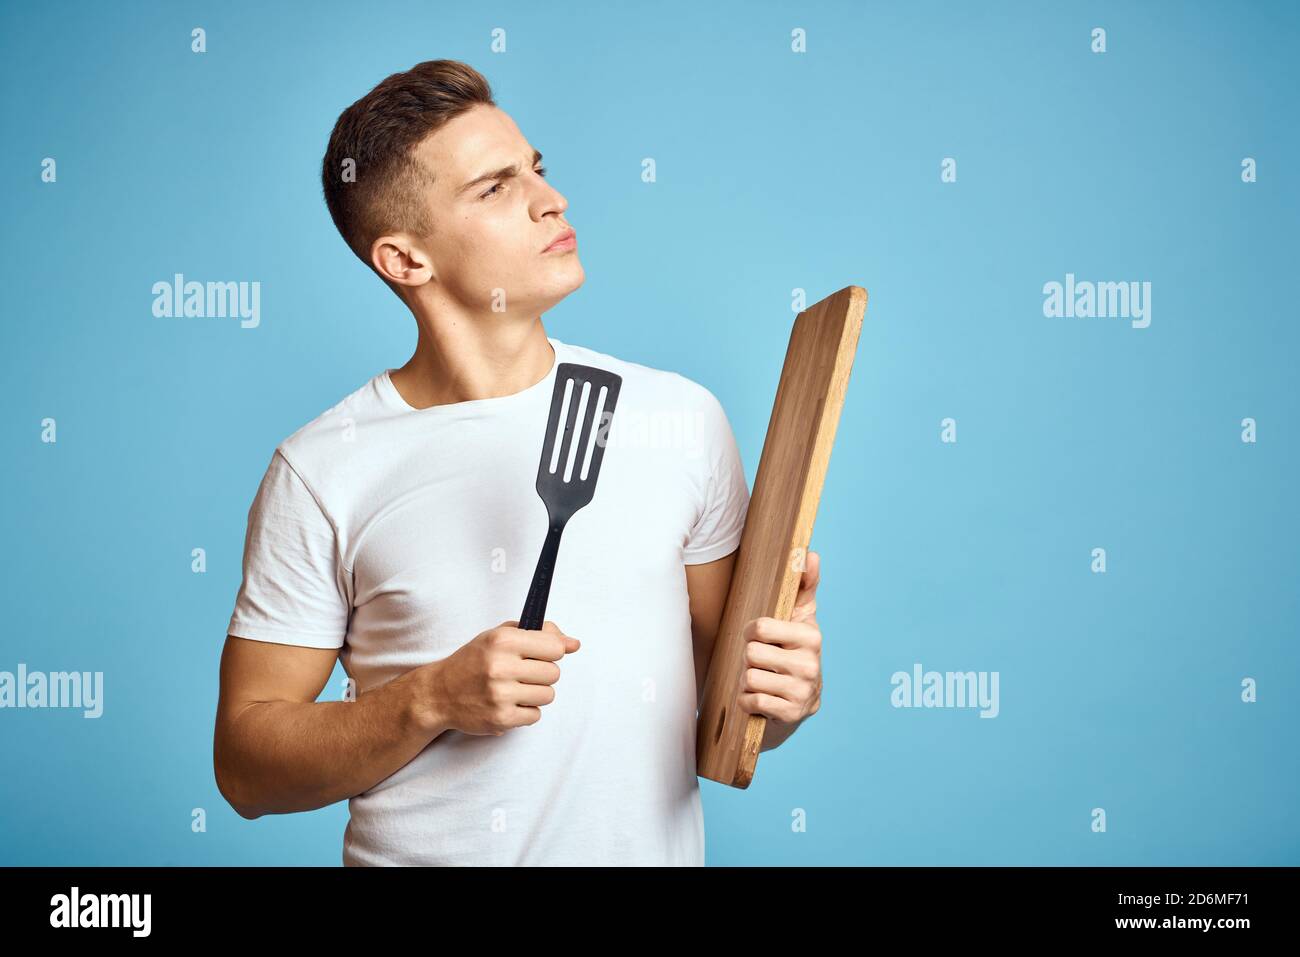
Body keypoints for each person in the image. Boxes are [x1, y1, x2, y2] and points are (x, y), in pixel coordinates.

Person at [212, 59, 823, 866]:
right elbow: (247, 769)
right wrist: (429, 698)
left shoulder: (679, 418)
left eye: (536, 168)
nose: (551, 199)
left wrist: (782, 698)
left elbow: (729, 721)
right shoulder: (322, 468)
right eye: (495, 188)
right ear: (405, 260)